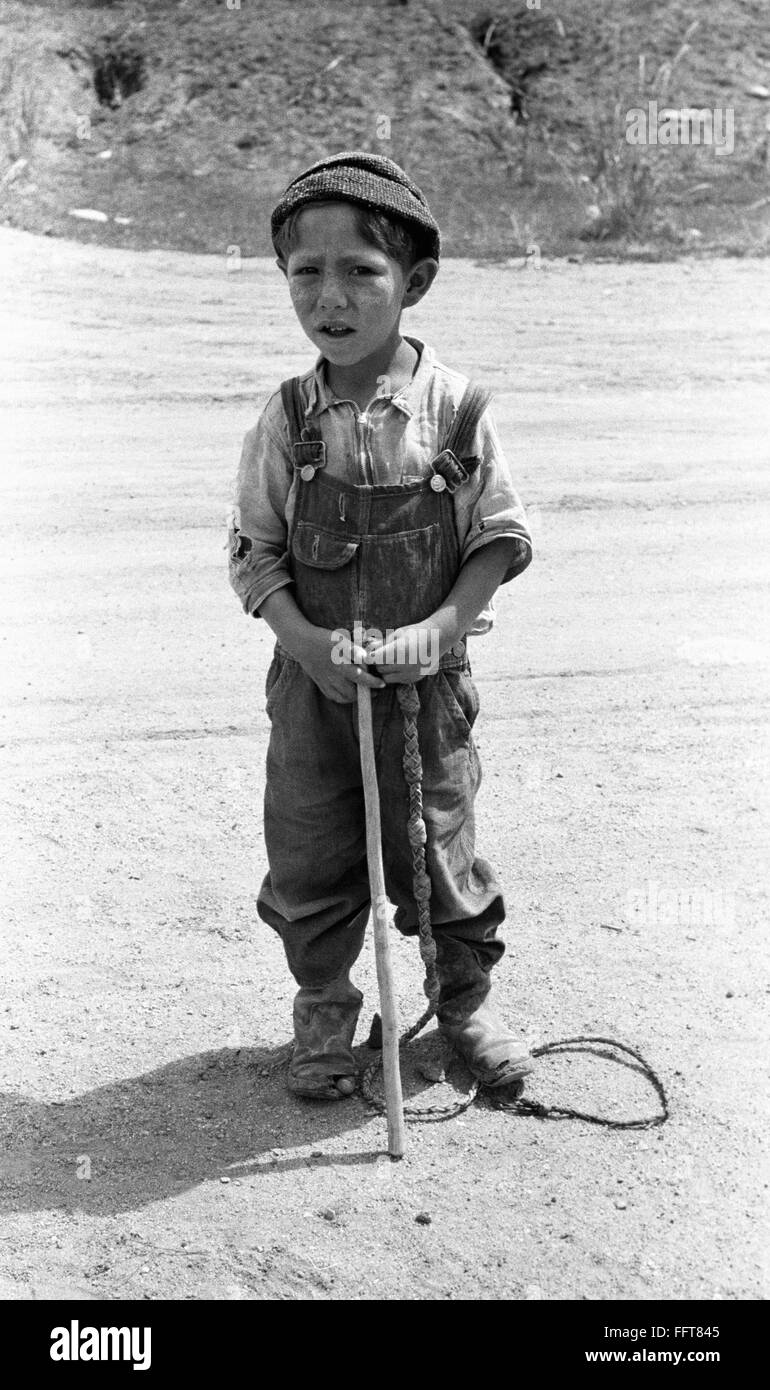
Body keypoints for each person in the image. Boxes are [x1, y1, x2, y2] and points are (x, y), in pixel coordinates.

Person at [229, 151, 534, 1101]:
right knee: (311, 852)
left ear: (416, 282)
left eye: (361, 270)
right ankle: (323, 1011)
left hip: (426, 690)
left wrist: (444, 626)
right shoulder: (286, 421)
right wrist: (304, 642)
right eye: (305, 272)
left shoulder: (456, 411)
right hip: (315, 689)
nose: (332, 296)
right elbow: (254, 554)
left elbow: (501, 533)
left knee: (435, 848)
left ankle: (465, 1006)